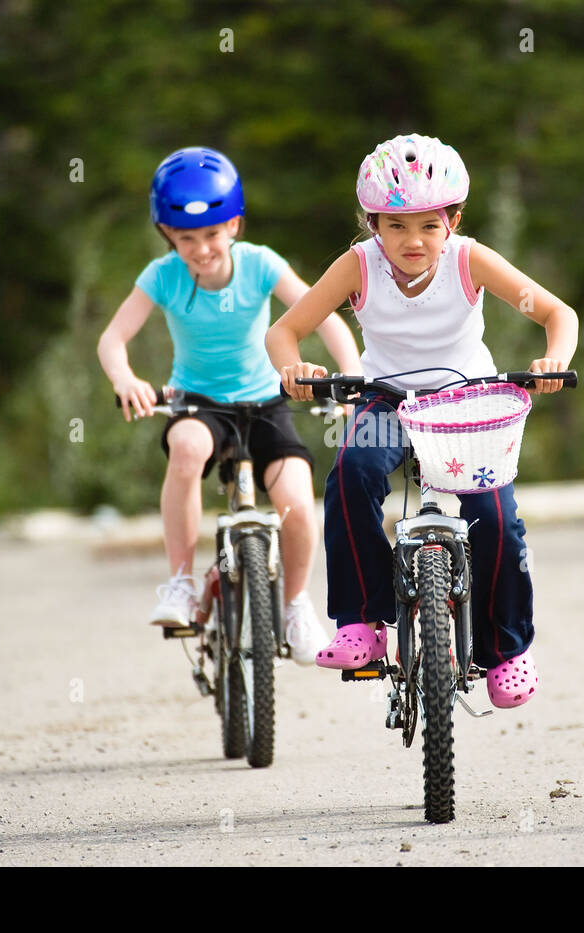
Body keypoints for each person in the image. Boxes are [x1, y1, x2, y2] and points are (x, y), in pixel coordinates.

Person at [266, 133, 578, 707]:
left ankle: (506, 649)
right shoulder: (357, 266)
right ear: (372, 224)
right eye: (396, 226)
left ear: (452, 222)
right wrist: (292, 366)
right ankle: (363, 622)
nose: (413, 241)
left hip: (467, 402)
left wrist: (555, 357)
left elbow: (558, 312)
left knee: (496, 514)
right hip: (385, 397)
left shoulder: (469, 260)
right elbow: (283, 331)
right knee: (351, 473)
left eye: (429, 226)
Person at [98, 146, 362, 665]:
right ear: (167, 236)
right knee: (187, 449)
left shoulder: (261, 265)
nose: (200, 249)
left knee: (296, 500)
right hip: (198, 404)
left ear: (234, 225)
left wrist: (350, 376)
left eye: (212, 234)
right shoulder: (161, 276)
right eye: (185, 238)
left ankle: (295, 605)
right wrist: (125, 376)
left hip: (265, 402)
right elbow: (113, 338)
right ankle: (179, 584)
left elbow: (326, 318)